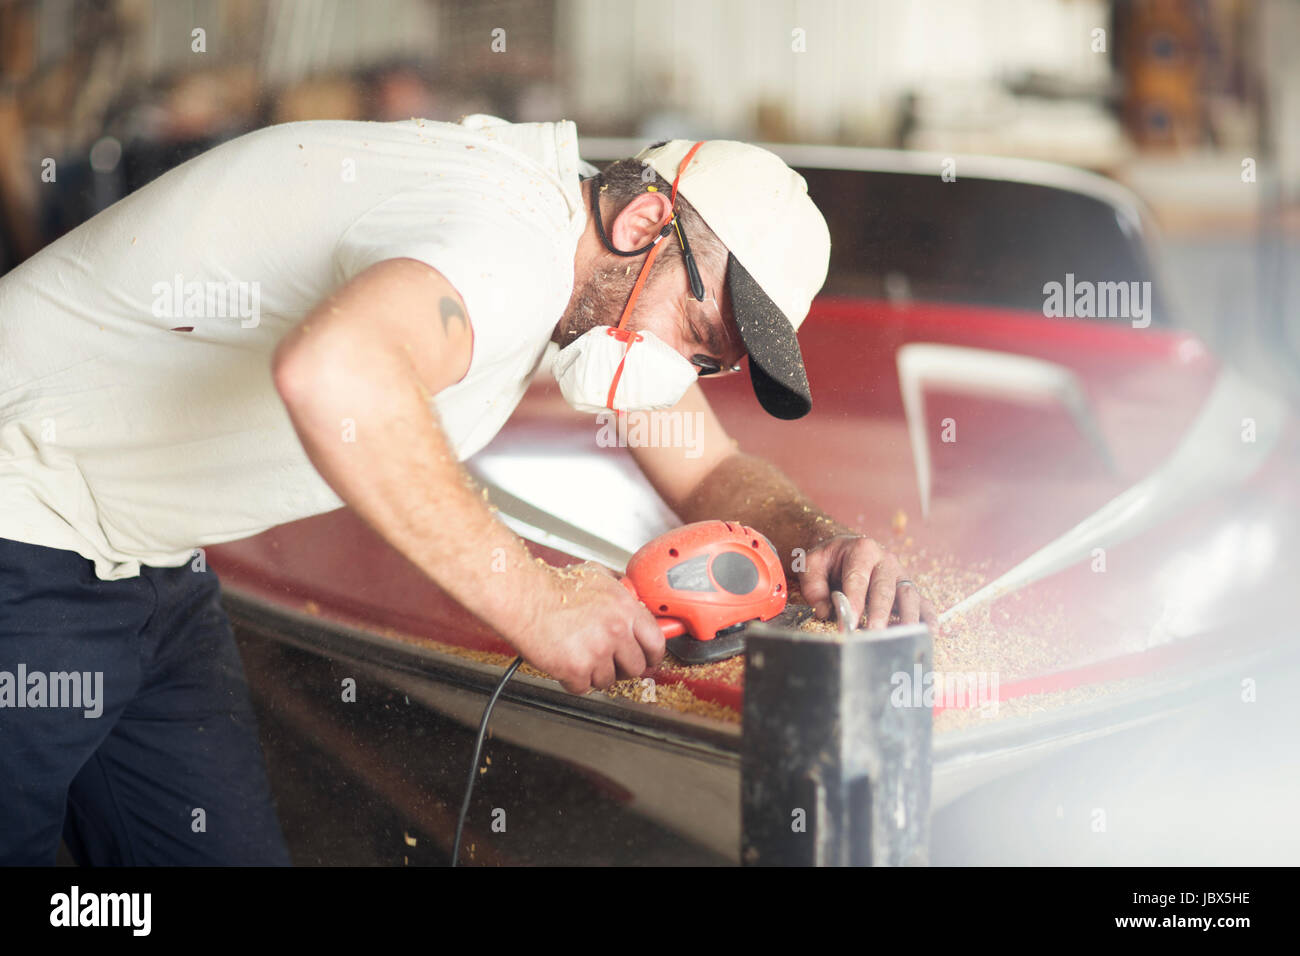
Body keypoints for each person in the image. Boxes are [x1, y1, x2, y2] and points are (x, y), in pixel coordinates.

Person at [0, 113, 933, 865]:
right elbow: (336, 372)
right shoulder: (507, 244)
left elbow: (709, 468)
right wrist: (536, 600)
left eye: (717, 363)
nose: (692, 367)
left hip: (138, 556)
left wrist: (819, 547)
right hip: (24, 516)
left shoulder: (584, 274)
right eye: (703, 332)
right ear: (646, 225)